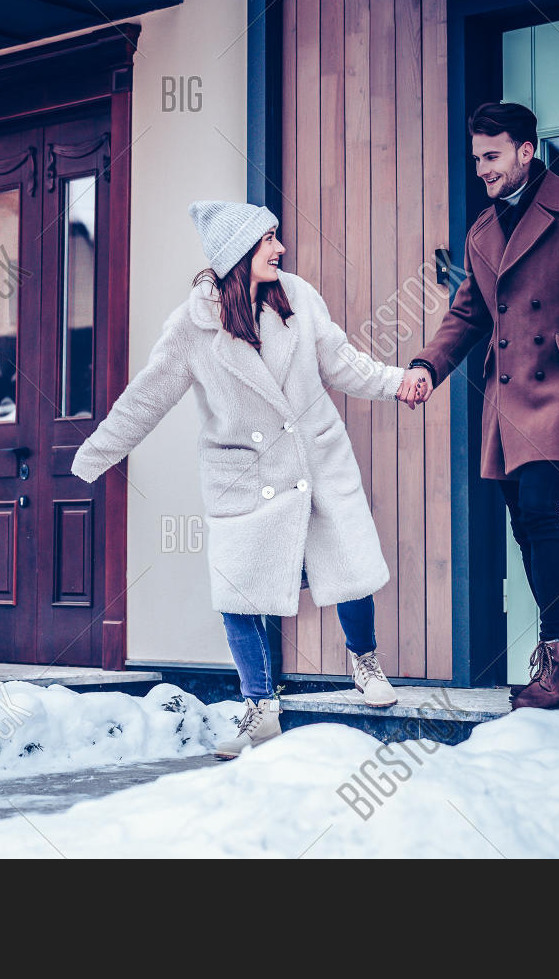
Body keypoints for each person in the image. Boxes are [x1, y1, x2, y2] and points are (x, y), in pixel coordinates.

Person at [72, 201, 423, 757]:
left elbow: (341, 362)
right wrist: (94, 455)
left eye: (277, 239)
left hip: (315, 455)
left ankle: (365, 662)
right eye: (268, 241)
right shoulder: (193, 327)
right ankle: (260, 708)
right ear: (238, 253)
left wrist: (396, 382)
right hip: (244, 470)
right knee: (237, 590)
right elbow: (147, 396)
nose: (280, 249)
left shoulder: (299, 297)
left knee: (349, 562)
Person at [399, 102, 559, 710]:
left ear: (525, 150)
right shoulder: (482, 232)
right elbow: (467, 315)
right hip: (510, 395)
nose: (482, 168)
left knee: (538, 508)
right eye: (476, 157)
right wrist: (427, 366)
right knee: (525, 518)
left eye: (492, 156)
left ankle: (558, 661)